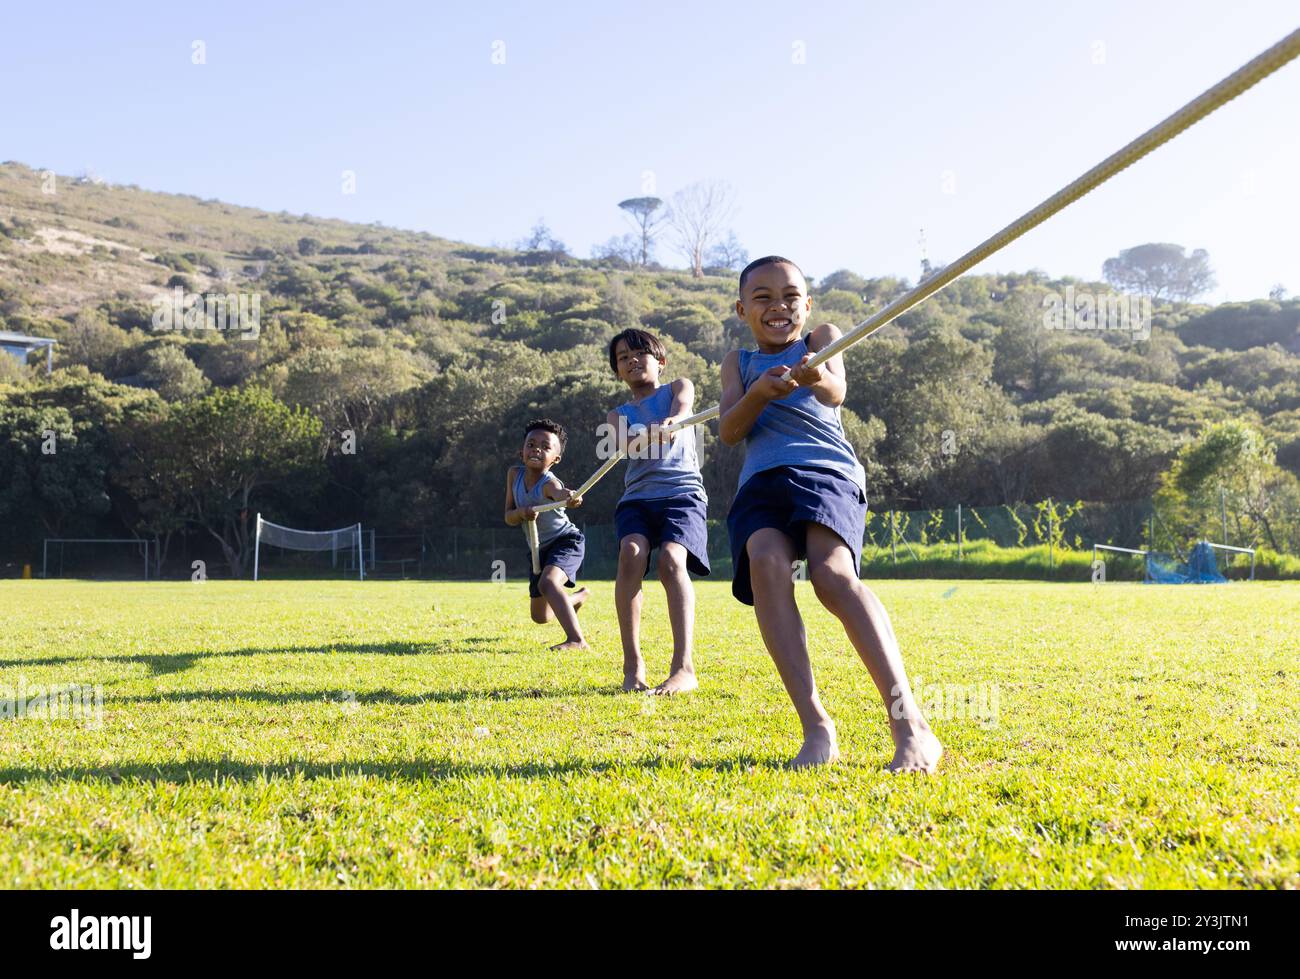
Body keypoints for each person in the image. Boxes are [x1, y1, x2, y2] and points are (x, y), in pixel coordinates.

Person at [719, 256, 942, 772]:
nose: (779, 306)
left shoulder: (822, 337)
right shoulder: (738, 363)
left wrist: (814, 375)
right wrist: (757, 394)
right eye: (764, 297)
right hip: (761, 483)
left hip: (825, 472)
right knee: (766, 564)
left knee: (832, 576)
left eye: (791, 295)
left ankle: (911, 727)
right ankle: (816, 727)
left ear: (808, 303)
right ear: (741, 310)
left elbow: (837, 391)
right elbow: (730, 431)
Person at [606, 329, 710, 694]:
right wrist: (642, 437)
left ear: (660, 361)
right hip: (637, 499)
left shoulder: (678, 387)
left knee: (670, 560)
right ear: (618, 372)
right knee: (631, 553)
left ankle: (684, 668)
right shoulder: (618, 413)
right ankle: (632, 666)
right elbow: (623, 447)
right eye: (623, 358)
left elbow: (683, 408)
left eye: (640, 353)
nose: (632, 360)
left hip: (682, 495)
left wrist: (671, 422)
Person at [503, 418, 589, 651]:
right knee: (540, 616)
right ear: (521, 451)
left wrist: (571, 496)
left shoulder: (549, 483)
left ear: (556, 459)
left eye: (545, 446)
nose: (536, 449)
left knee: (549, 583)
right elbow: (508, 517)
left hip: (565, 542)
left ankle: (577, 640)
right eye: (531, 444)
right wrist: (521, 513)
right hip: (537, 550)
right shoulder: (514, 475)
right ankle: (576, 599)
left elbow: (561, 493)